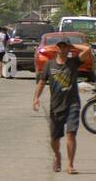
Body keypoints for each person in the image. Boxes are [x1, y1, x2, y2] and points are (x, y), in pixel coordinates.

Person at [33, 38, 81, 173]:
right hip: (56, 105)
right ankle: (57, 156)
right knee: (54, 138)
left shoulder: (73, 62)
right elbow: (42, 82)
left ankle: (70, 165)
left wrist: (73, 46)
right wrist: (36, 98)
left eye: (65, 46)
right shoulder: (49, 65)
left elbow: (88, 50)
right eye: (59, 46)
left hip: (73, 103)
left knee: (71, 133)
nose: (62, 48)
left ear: (68, 48)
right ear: (56, 48)